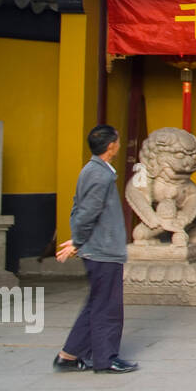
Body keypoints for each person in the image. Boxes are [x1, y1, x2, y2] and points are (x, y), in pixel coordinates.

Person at [53, 125, 138, 373]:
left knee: (96, 304)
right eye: (118, 141)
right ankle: (105, 359)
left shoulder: (94, 172)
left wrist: (78, 240)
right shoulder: (98, 175)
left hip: (98, 248)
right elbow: (86, 213)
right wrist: (77, 242)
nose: (119, 144)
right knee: (107, 307)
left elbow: (78, 209)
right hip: (103, 251)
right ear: (111, 146)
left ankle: (68, 356)